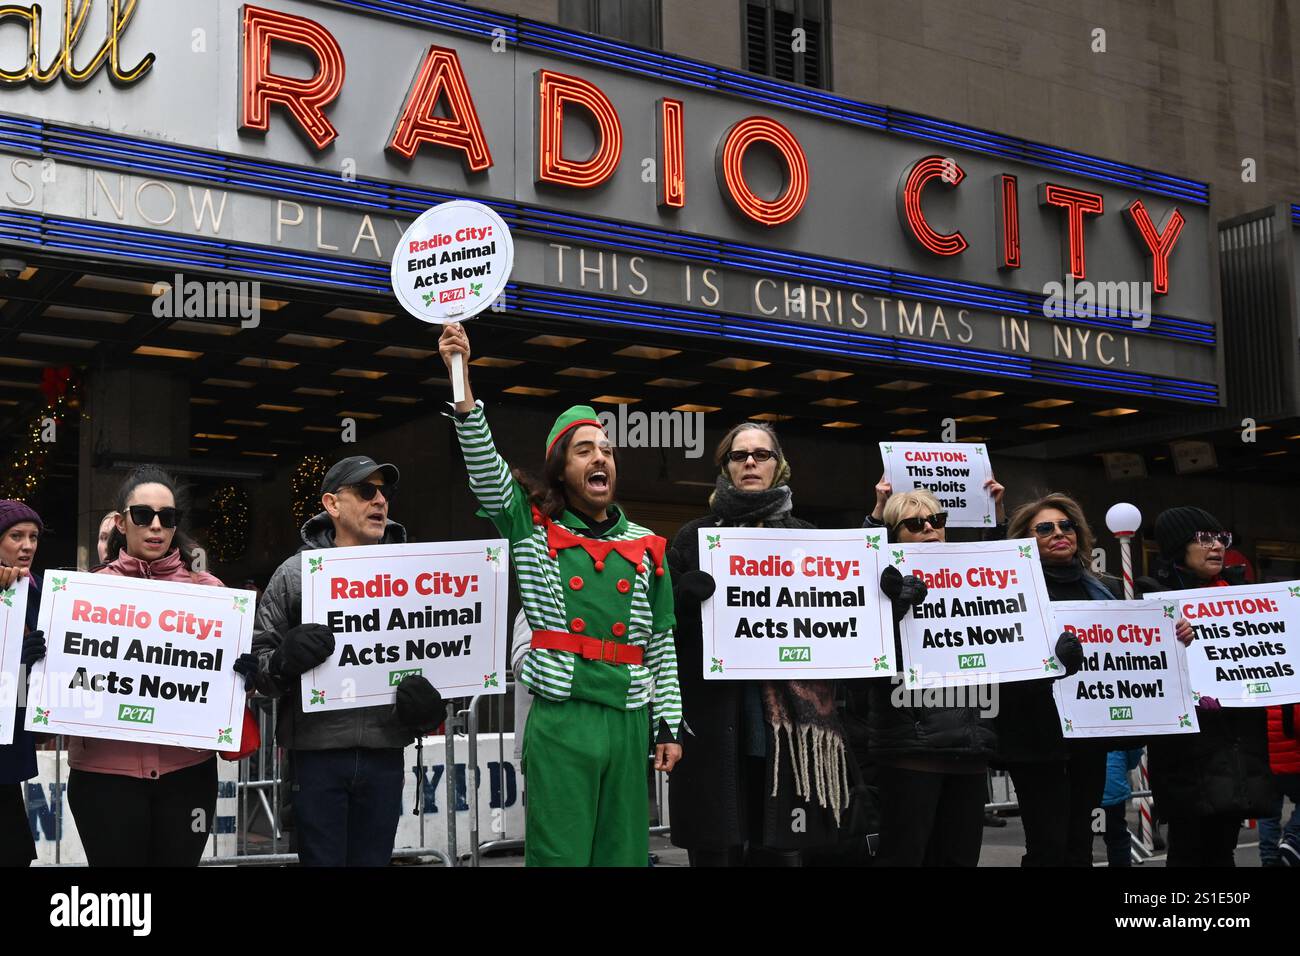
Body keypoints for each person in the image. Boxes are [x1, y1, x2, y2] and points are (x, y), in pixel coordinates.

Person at [438, 321, 683, 867]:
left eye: (608, 450)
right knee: (560, 856)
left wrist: (668, 725)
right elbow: (485, 469)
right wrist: (461, 381)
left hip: (627, 714)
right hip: (562, 715)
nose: (601, 459)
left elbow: (661, 646)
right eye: (584, 451)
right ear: (561, 468)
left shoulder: (648, 545)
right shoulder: (530, 528)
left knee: (624, 855)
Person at [39, 467, 255, 866]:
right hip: (105, 777)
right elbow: (55, 686)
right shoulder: (83, 592)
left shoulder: (211, 592)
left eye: (167, 517)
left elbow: (229, 683)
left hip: (188, 776)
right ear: (121, 522)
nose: (156, 526)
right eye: (143, 515)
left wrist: (246, 675)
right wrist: (37, 659)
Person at [668, 422, 847, 867]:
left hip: (786, 737)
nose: (749, 462)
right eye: (738, 455)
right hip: (713, 726)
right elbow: (659, 632)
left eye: (761, 454)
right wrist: (682, 605)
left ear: (778, 466)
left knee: (780, 852)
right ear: (726, 467)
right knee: (715, 851)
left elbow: (842, 620)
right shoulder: (693, 537)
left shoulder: (809, 537)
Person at [250, 455, 443, 867]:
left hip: (385, 752)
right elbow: (256, 668)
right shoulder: (293, 575)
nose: (380, 501)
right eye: (366, 491)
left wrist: (433, 706)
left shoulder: (417, 574)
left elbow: (443, 651)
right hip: (317, 757)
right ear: (332, 504)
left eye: (384, 492)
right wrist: (282, 663)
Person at [855, 489, 996, 866]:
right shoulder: (881, 586)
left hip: (969, 749)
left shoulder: (973, 576)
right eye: (916, 524)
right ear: (894, 534)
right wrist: (894, 610)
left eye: (938, 520)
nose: (930, 529)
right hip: (910, 752)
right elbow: (858, 648)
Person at [1136, 506, 1278, 866]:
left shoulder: (1242, 595)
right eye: (1203, 538)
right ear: (1176, 546)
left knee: (1222, 849)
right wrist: (1165, 637)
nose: (1216, 546)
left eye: (1220, 538)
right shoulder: (1151, 596)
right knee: (1188, 849)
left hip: (1235, 743)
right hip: (1185, 750)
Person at [0, 501, 47, 866]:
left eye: (33, 536)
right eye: (16, 535)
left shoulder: (36, 593)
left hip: (8, 743)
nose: (27, 545)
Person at [1259, 703, 1299, 866]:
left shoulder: (1257, 694)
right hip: (1294, 762)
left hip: (1265, 764)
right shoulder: (1292, 691)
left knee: (1267, 815)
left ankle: (1269, 859)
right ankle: (1293, 837)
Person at [1100, 748, 1143, 867]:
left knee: (1080, 843)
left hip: (1084, 790)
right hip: (1113, 788)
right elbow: (1135, 748)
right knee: (1118, 840)